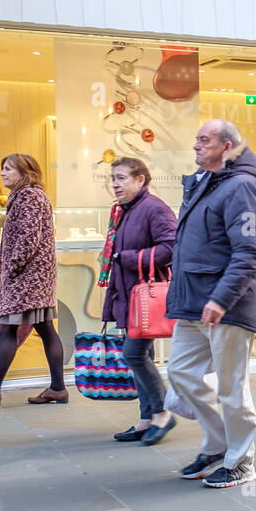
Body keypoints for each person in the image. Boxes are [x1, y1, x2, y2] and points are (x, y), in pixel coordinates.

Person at [165, 120, 256, 488]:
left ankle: (241, 462)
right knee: (180, 373)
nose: (195, 145)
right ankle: (218, 443)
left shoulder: (242, 188)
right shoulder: (204, 184)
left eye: (203, 140)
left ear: (227, 146)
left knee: (231, 388)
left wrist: (222, 299)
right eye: (196, 139)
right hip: (194, 303)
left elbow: (249, 253)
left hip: (227, 306)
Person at [0, 154, 67, 407]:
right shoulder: (27, 196)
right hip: (34, 278)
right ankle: (58, 388)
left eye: (8, 169)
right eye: (2, 168)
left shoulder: (29, 197)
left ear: (24, 172)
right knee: (45, 328)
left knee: (8, 328)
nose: (3, 174)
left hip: (27, 278)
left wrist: (11, 267)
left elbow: (29, 238)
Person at [100, 156, 178, 444]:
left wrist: (129, 259)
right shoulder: (124, 210)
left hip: (145, 294)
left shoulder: (154, 208)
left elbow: (171, 246)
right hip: (129, 293)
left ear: (140, 180)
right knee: (138, 355)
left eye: (121, 178)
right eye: (113, 178)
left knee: (133, 353)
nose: (115, 184)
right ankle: (147, 418)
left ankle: (162, 413)